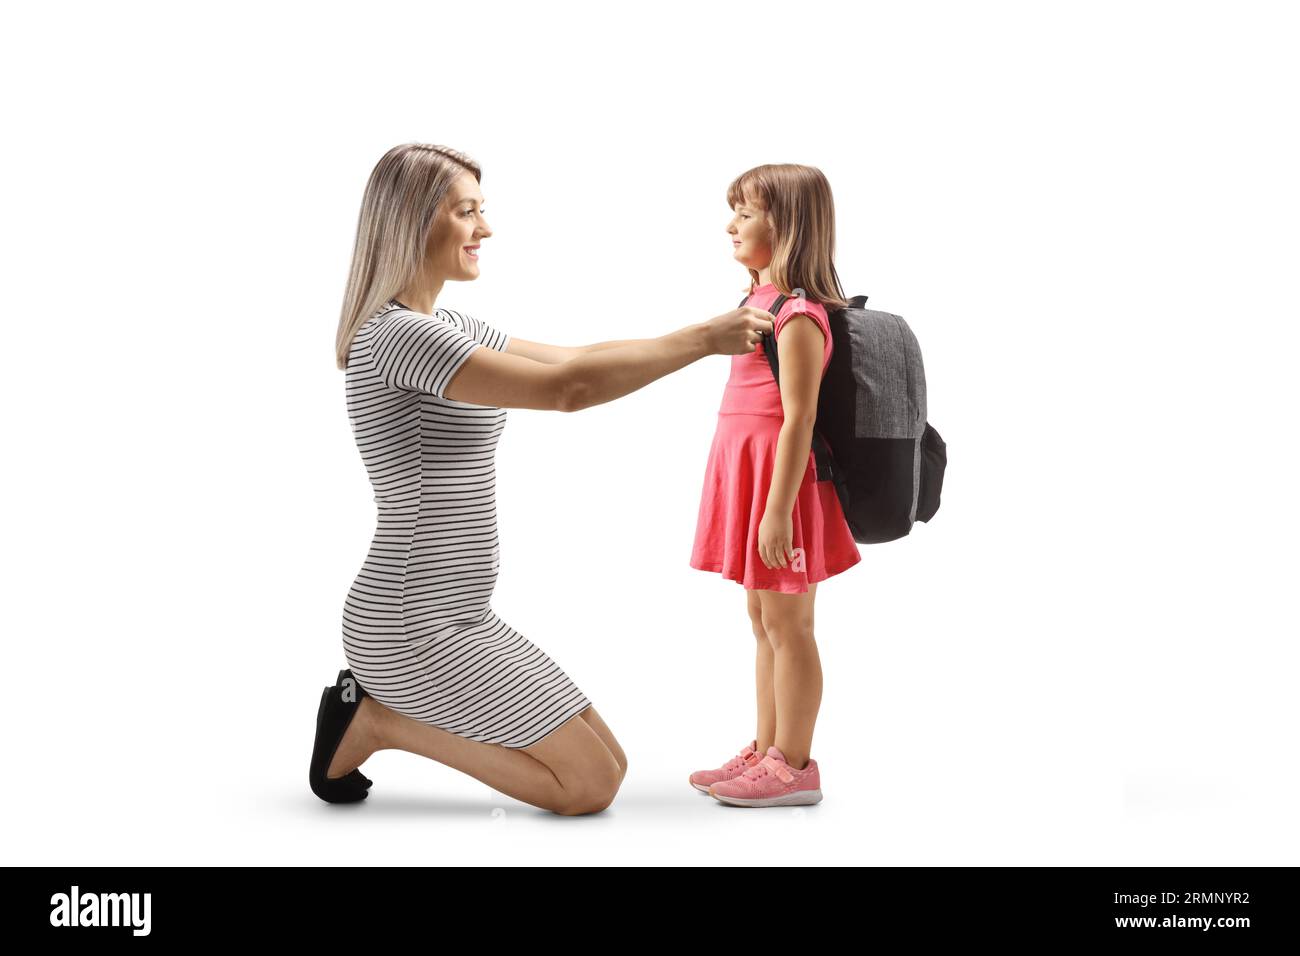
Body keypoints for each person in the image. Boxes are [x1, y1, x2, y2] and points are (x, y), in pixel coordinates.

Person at [310, 143, 774, 815]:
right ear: (412, 221)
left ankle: (379, 714)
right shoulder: (400, 337)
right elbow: (569, 390)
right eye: (467, 212)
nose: (486, 229)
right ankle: (376, 720)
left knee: (609, 762)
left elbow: (579, 356)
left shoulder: (446, 325)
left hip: (462, 613)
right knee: (586, 787)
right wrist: (703, 340)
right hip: (409, 624)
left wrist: (702, 331)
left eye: (482, 211)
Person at [687, 164, 862, 807]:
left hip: (782, 486)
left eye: (746, 213)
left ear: (784, 227)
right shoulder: (754, 304)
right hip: (751, 474)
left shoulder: (798, 316)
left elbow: (800, 419)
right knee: (763, 618)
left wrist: (777, 511)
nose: (731, 224)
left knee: (790, 624)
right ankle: (766, 750)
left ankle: (795, 766)